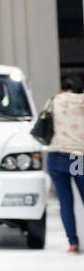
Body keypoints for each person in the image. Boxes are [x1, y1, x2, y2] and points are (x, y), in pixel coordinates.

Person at [43, 73, 84, 253]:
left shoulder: (54, 101)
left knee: (65, 201)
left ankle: (73, 243)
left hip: (57, 154)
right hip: (77, 156)